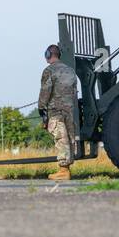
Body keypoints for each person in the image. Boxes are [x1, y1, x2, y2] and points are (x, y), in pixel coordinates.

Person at [38, 44, 79, 180]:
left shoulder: (49, 71)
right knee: (69, 137)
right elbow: (74, 92)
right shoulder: (70, 71)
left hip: (55, 111)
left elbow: (45, 92)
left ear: (48, 55)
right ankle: (66, 168)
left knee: (61, 138)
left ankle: (63, 170)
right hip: (69, 109)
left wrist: (42, 110)